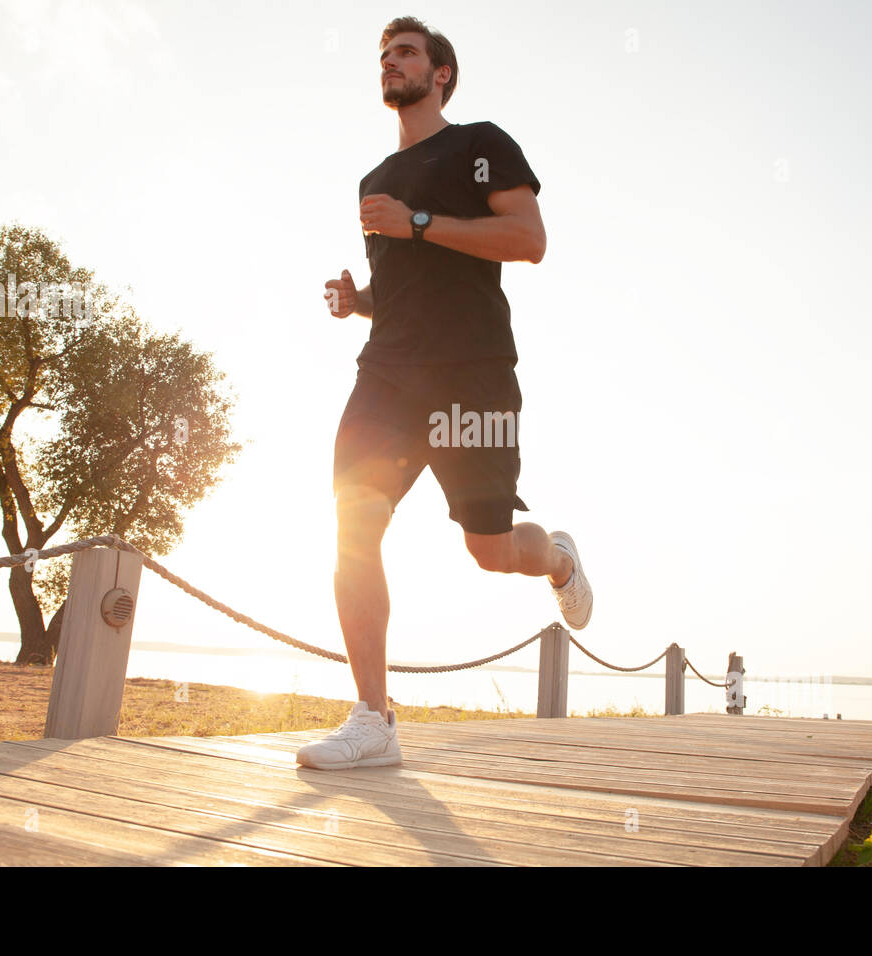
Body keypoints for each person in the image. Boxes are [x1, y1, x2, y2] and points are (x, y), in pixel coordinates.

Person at [297, 16, 591, 771]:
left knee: (490, 552)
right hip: (388, 373)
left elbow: (528, 241)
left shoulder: (480, 147)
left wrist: (419, 222)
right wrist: (359, 301)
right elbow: (409, 289)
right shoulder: (374, 184)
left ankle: (556, 558)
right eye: (385, 55)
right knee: (352, 525)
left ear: (442, 74)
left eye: (407, 53)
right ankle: (374, 718)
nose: (391, 63)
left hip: (474, 375)